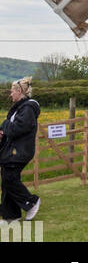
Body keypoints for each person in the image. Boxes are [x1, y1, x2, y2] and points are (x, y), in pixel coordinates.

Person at [0, 77, 41, 221]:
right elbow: (10, 130)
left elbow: (17, 129)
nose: (10, 95)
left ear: (19, 92)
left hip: (20, 151)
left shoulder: (28, 108)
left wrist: (5, 125)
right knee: (7, 178)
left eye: (12, 92)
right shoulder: (20, 109)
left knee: (10, 178)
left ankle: (31, 202)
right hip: (12, 150)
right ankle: (11, 214)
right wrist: (2, 132)